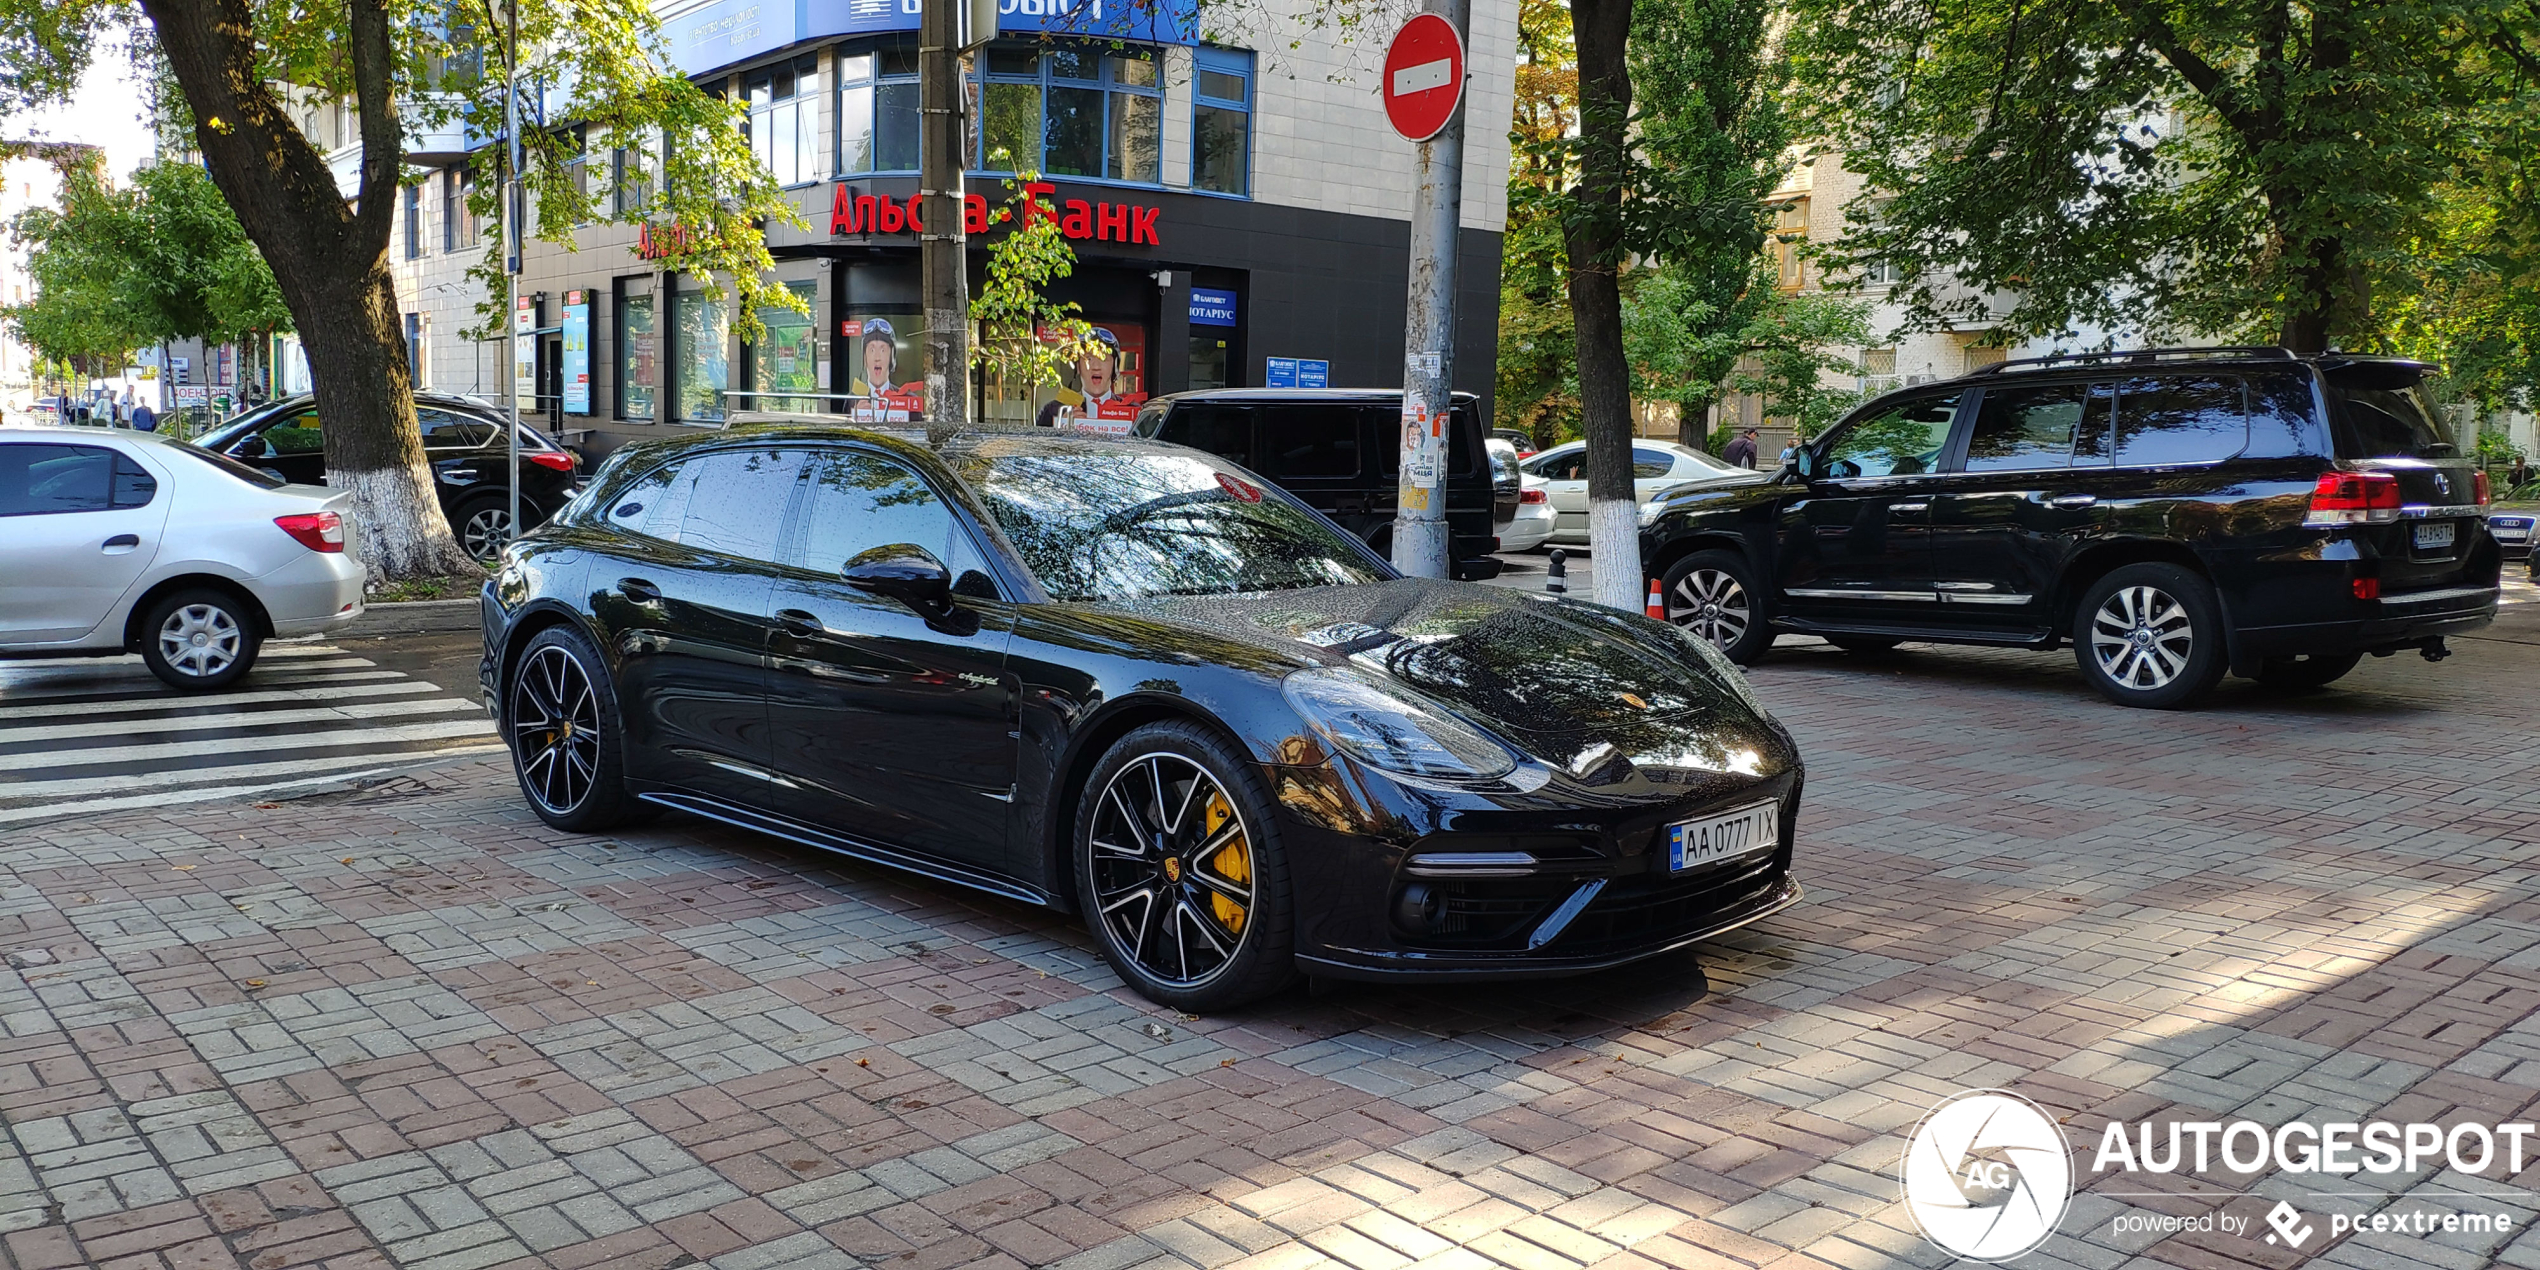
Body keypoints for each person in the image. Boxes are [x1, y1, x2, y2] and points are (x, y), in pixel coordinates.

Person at [1035, 327, 1145, 432]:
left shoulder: (1134, 413)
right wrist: (1061, 428)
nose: (1096, 366)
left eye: (1103, 358)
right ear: (1078, 366)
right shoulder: (1053, 410)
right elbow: (1040, 448)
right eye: (1088, 358)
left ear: (1114, 367)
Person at [847, 318, 926, 423]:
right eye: (871, 350)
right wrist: (855, 418)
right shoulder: (851, 400)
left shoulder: (908, 399)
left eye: (883, 350)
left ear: (892, 357)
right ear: (864, 358)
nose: (877, 357)